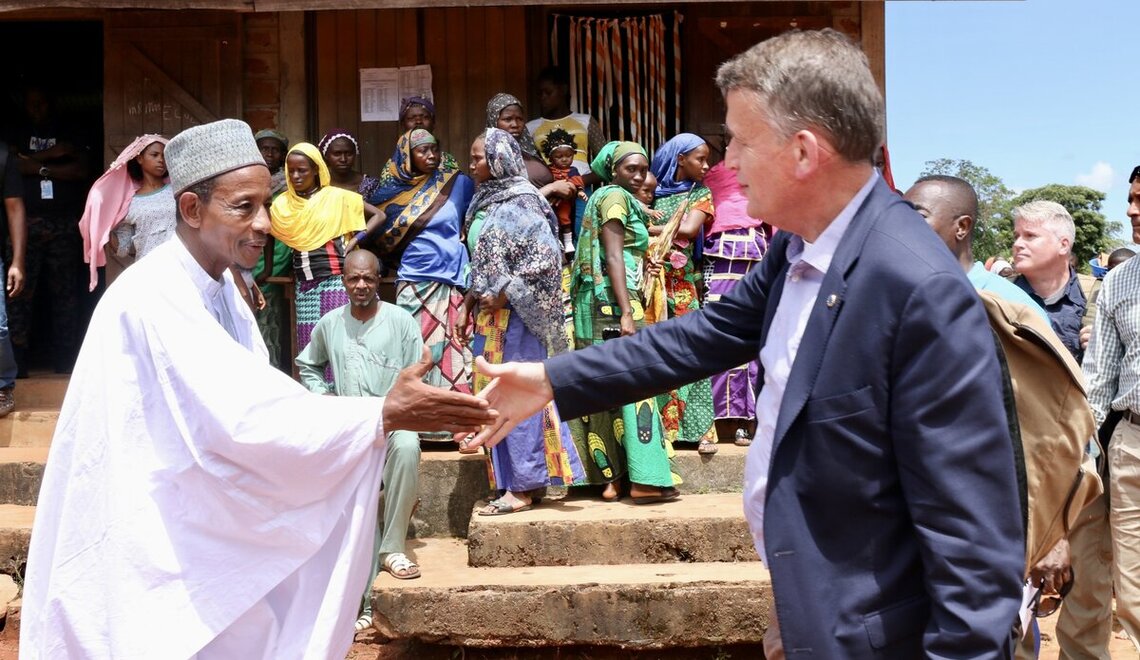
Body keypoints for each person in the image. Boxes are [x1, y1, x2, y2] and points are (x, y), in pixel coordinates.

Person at [470, 29, 1023, 657]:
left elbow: (972, 554)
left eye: (739, 140)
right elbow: (701, 337)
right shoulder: (798, 246)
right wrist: (552, 380)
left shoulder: (918, 291)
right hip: (814, 614)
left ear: (804, 152)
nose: (728, 163)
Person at [18, 118, 497, 659]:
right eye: (242, 208)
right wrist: (378, 414)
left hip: (189, 521)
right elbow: (240, 420)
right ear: (192, 210)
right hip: (149, 532)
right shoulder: (155, 296)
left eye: (264, 205)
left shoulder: (223, 287)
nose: (264, 224)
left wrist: (375, 416)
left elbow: (258, 400)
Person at [905, 175, 1101, 658]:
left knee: (1001, 636)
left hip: (994, 514)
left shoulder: (1006, 302)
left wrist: (1053, 532)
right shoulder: (897, 290)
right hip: (918, 509)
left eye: (918, 215)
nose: (901, 227)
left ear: (961, 227)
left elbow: (1057, 420)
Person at [295, 249, 425, 633]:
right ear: (344, 281)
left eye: (368, 278)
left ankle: (393, 550)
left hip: (395, 418)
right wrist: (325, 397)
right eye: (353, 279)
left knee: (406, 448)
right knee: (361, 507)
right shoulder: (330, 323)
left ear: (379, 279)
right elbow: (308, 364)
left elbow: (417, 372)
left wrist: (398, 406)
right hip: (354, 426)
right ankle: (365, 602)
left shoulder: (401, 321)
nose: (361, 285)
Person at [456, 128, 584, 514]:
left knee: (514, 395)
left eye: (478, 157)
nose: (472, 164)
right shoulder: (486, 201)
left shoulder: (524, 201)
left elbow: (545, 260)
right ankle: (515, 481)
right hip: (490, 318)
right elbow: (483, 261)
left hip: (517, 320)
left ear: (498, 160)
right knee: (495, 395)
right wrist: (469, 300)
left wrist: (505, 292)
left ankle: (523, 487)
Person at [563, 140, 678, 504]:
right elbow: (613, 257)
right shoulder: (614, 198)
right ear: (613, 170)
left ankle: (609, 479)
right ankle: (644, 480)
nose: (640, 175)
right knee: (636, 384)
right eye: (631, 169)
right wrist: (627, 311)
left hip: (599, 304)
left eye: (643, 169)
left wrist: (644, 264)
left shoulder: (610, 197)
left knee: (602, 387)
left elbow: (623, 252)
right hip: (612, 307)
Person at [368, 129, 474, 397]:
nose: (430, 155)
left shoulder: (456, 184)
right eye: (422, 150)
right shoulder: (389, 193)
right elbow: (378, 236)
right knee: (418, 351)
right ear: (407, 156)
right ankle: (419, 422)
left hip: (453, 279)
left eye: (434, 149)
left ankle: (454, 422)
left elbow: (473, 217)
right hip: (416, 281)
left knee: (458, 352)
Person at [1083, 164, 1140, 653]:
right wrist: (1082, 456)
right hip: (1132, 449)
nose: (1131, 210)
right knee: (1134, 592)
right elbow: (1098, 379)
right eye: (1131, 198)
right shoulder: (1118, 283)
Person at [269, 142, 384, 354]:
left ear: (316, 170)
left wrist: (355, 239)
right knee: (313, 347)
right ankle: (320, 389)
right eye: (291, 171)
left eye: (302, 170)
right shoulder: (283, 204)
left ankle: (347, 388)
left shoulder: (337, 197)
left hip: (336, 279)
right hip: (305, 283)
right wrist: (267, 271)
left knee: (345, 344)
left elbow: (379, 215)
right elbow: (269, 235)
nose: (295, 176)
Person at [9, 86, 92, 375]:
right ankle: (17, 362)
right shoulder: (15, 131)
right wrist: (53, 157)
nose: (38, 109)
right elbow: (13, 165)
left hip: (64, 223)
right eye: (33, 104)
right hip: (25, 225)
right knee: (19, 293)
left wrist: (35, 164)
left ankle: (65, 362)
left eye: (42, 103)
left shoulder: (70, 130)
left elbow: (80, 170)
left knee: (66, 293)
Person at [645, 133, 718, 455]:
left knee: (693, 353)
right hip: (653, 287)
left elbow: (688, 230)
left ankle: (702, 432)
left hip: (684, 287)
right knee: (658, 355)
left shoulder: (701, 194)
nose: (706, 165)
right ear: (680, 159)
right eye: (700, 159)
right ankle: (665, 430)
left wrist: (645, 226)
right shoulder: (651, 191)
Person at [702, 160, 769, 447]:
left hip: (754, 259)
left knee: (751, 350)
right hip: (719, 262)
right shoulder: (714, 176)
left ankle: (744, 423)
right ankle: (710, 424)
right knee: (715, 342)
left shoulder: (761, 172)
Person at [77, 135, 170, 291]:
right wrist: (104, 228)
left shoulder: (178, 193)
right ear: (139, 159)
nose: (161, 160)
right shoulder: (130, 201)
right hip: (149, 272)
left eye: (164, 156)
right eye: (154, 155)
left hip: (180, 268)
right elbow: (123, 248)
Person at [1011, 200, 1087, 361]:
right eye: (1016, 236)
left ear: (1063, 245)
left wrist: (1103, 344)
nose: (1017, 244)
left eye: (1030, 236)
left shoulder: (1097, 296)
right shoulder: (997, 292)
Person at [486, 93, 577, 207]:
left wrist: (567, 187)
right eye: (507, 119)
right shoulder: (491, 158)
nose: (515, 124)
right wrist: (551, 189)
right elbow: (505, 202)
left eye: (519, 119)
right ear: (494, 121)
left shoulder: (530, 152)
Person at [252, 129, 293, 372]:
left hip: (278, 261)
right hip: (250, 260)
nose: (268, 154)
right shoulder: (247, 182)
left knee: (274, 325)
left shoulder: (290, 185)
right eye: (263, 148)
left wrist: (269, 267)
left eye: (274, 149)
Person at [527, 65, 607, 183]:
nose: (543, 97)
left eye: (548, 93)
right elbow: (528, 168)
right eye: (540, 94)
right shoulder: (530, 128)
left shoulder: (586, 121)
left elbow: (605, 162)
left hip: (582, 188)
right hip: (551, 191)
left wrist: (578, 181)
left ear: (563, 90)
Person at [0, 143, 26, 417]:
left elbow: (15, 209)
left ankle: (3, 386)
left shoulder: (3, 155)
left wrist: (17, 261)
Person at [540, 127, 588, 254]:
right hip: (549, 199)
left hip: (565, 202)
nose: (564, 159)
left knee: (564, 217)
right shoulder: (547, 169)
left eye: (568, 155)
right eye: (559, 157)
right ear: (550, 158)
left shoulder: (573, 170)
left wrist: (580, 191)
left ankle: (568, 243)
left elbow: (577, 182)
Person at [398, 97, 459, 172]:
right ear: (402, 124)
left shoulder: (448, 164)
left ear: (433, 123)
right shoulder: (395, 166)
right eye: (411, 118)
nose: (418, 121)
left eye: (425, 117)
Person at [318, 129, 381, 201]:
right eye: (337, 154)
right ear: (326, 155)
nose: (343, 159)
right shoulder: (317, 183)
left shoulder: (371, 185)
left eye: (349, 154)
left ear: (355, 154)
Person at [254, 129, 289, 198]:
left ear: (283, 155)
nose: (270, 154)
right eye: (264, 149)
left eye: (275, 150)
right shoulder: (246, 180)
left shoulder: (291, 183)